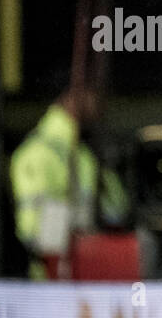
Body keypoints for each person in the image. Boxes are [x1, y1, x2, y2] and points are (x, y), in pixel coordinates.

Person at [9, 81, 128, 279]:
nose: (100, 106)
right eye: (94, 96)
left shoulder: (85, 155)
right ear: (71, 97)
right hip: (50, 281)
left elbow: (117, 211)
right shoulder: (34, 154)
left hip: (90, 273)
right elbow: (33, 234)